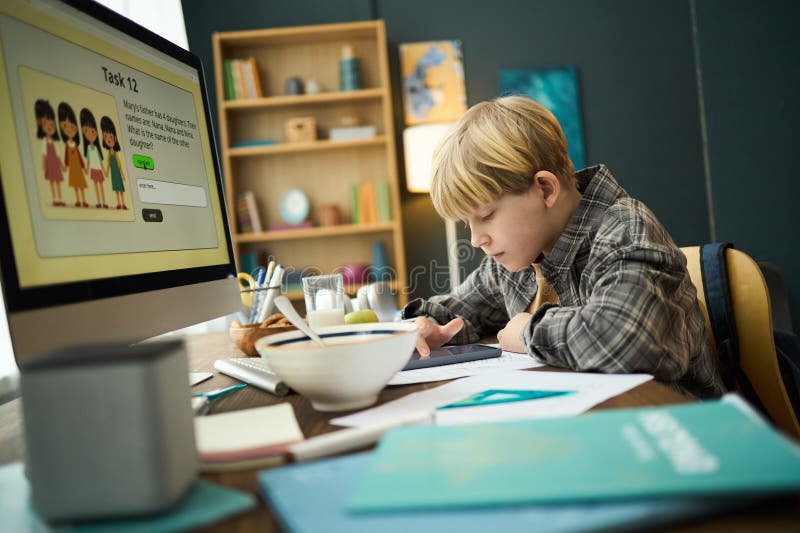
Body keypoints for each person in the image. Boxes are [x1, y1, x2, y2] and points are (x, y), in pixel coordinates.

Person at [403, 95, 724, 399]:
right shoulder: (520, 255)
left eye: (486, 215)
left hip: (669, 426)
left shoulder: (624, 228)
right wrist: (423, 326)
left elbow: (625, 338)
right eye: (466, 223)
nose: (475, 239)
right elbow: (455, 310)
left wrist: (530, 332)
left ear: (544, 189)